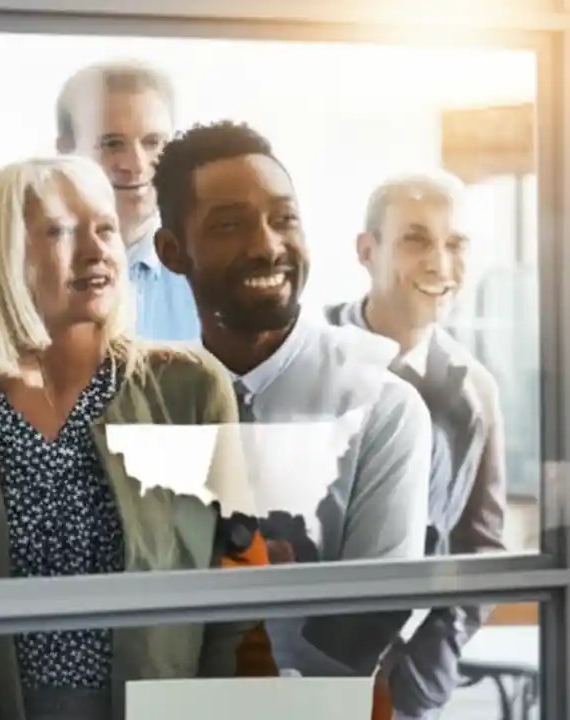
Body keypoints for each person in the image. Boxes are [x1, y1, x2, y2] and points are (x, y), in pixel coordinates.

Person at [0, 155, 250, 720]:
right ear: (1, 258)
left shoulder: (189, 390)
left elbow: (236, 588)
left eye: (105, 227)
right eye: (59, 231)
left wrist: (202, 709)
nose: (95, 249)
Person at [152, 121, 432, 680]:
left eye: (285, 219)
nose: (266, 246)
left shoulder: (380, 405)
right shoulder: (143, 401)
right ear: (171, 251)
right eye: (230, 225)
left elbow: (374, 617)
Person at [325, 172, 507, 719]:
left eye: (455, 244)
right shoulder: (308, 359)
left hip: (406, 690)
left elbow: (481, 547)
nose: (440, 263)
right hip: (298, 677)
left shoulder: (475, 389)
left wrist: (427, 672)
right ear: (366, 250)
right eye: (416, 240)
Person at [56, 60, 199, 342]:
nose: (136, 164)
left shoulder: (204, 273)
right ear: (65, 153)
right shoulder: (27, 273)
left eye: (153, 142)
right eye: (112, 144)